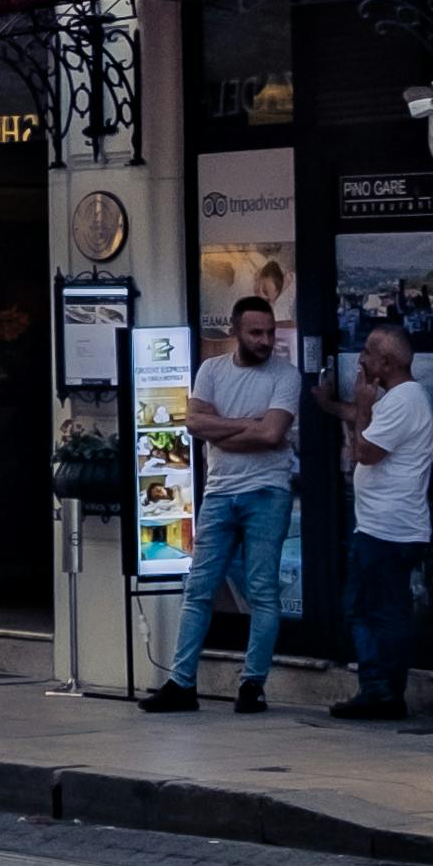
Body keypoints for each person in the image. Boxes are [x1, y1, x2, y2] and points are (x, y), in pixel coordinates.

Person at [145, 293, 299, 717]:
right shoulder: (211, 370)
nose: (265, 340)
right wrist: (248, 423)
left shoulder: (285, 376)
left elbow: (272, 436)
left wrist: (222, 430)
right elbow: (193, 424)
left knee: (262, 591)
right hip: (219, 492)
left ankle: (252, 685)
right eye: (256, 332)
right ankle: (181, 683)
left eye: (270, 332)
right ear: (235, 332)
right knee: (199, 588)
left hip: (268, 491)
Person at [333, 320, 433, 724]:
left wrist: (361, 406)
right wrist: (334, 405)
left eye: (368, 353)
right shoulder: (400, 399)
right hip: (385, 525)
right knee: (377, 608)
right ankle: (380, 690)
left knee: (371, 610)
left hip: (388, 529)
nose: (361, 359)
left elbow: (366, 451)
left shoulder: (403, 399)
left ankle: (381, 692)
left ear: (386, 361)